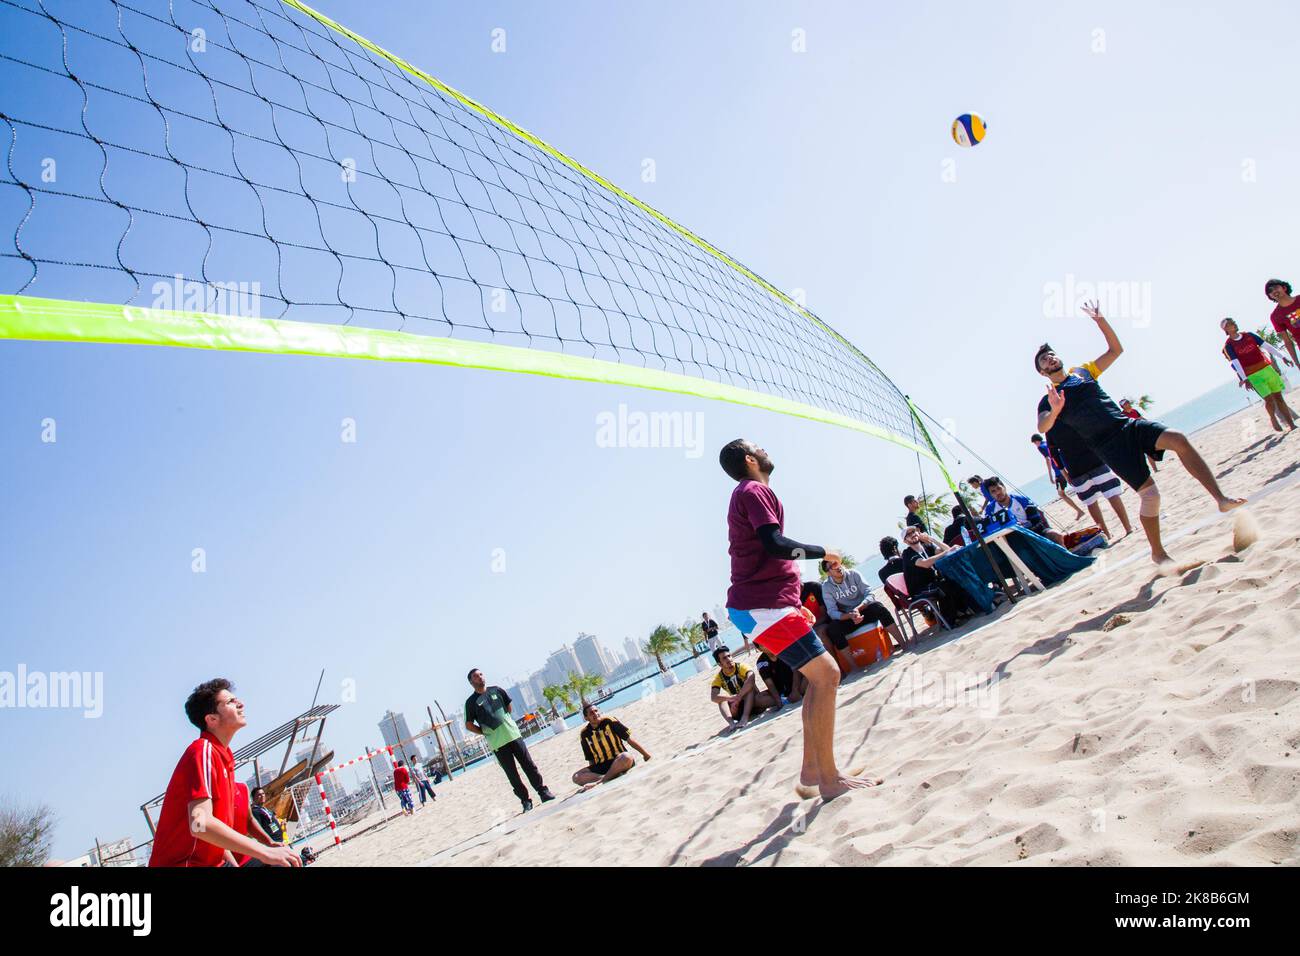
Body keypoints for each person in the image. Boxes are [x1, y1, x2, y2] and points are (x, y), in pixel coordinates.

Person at [719, 439, 878, 798]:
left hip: (767, 606)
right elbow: (774, 544)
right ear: (750, 459)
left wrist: (793, 603)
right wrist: (824, 552)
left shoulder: (749, 493)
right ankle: (830, 779)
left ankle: (812, 772)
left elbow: (766, 556)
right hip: (761, 607)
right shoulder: (752, 490)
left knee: (818, 679)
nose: (766, 449)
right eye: (759, 447)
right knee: (828, 675)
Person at [1035, 300, 1245, 565]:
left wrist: (1100, 321)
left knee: (1178, 439)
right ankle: (1158, 553)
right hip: (1108, 446)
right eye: (1044, 360)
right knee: (1150, 496)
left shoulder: (1083, 371)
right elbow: (1042, 426)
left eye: (1051, 354)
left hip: (1127, 426)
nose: (1050, 358)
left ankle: (1221, 499)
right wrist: (1055, 411)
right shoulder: (1048, 399)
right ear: (1042, 372)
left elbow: (1116, 350)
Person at [149, 679, 300, 867]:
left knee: (288, 860)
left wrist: (268, 846)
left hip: (214, 862)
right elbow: (201, 824)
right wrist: (265, 852)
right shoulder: (202, 751)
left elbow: (218, 832)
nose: (240, 703)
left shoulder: (224, 757)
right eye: (230, 702)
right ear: (212, 719)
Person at [465, 669, 556, 812]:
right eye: (476, 676)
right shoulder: (471, 702)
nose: (480, 677)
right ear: (471, 682)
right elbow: (469, 724)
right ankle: (525, 801)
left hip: (513, 735)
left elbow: (508, 707)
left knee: (529, 765)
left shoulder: (497, 690)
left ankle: (543, 792)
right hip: (497, 743)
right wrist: (484, 732)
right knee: (512, 774)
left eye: (481, 674)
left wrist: (505, 722)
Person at [1041, 417, 1133, 539]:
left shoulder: (1050, 428)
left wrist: (1065, 474)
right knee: (1111, 494)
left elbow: (1053, 454)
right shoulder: (1073, 414)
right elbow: (1094, 432)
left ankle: (1106, 535)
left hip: (1075, 468)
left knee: (1091, 502)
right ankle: (1128, 528)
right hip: (1095, 459)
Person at [820, 553, 909, 653]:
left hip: (864, 610)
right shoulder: (826, 587)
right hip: (849, 618)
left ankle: (903, 644)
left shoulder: (854, 574)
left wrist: (858, 608)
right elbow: (832, 611)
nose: (837, 567)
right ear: (828, 573)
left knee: (878, 607)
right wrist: (849, 615)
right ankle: (852, 663)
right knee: (833, 628)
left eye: (837, 562)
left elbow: (870, 594)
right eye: (833, 565)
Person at [1221, 317, 1297, 432]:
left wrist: (1283, 357)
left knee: (1279, 397)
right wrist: (1245, 379)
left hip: (1266, 369)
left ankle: (1292, 425)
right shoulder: (1229, 345)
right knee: (1269, 400)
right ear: (1226, 329)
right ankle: (1272, 417)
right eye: (1231, 323)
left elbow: (1267, 346)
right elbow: (1236, 363)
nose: (1234, 324)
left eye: (1234, 322)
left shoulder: (1249, 335)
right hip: (1253, 375)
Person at [901, 526, 974, 623]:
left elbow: (948, 550)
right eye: (908, 534)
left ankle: (961, 610)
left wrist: (932, 539)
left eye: (913, 531)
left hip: (933, 581)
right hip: (919, 589)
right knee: (942, 587)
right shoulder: (907, 554)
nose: (913, 535)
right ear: (905, 541)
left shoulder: (926, 546)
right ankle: (948, 620)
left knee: (953, 580)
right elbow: (925, 563)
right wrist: (946, 552)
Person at [572, 704, 652, 790]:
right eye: (591, 713)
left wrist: (646, 755)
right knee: (576, 777)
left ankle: (600, 781)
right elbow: (590, 758)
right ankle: (610, 776)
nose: (595, 714)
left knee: (627, 756)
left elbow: (629, 739)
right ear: (586, 718)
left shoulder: (610, 721)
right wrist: (592, 773)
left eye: (596, 711)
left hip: (619, 760)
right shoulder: (584, 734)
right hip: (602, 766)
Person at [981, 476, 1066, 546]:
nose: (997, 493)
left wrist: (1023, 528)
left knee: (1056, 535)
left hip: (1035, 533)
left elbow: (1038, 522)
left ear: (1004, 487)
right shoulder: (990, 510)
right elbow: (990, 531)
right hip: (1013, 541)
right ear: (990, 494)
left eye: (999, 488)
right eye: (993, 491)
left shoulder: (1021, 500)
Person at [710, 646, 779, 728]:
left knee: (750, 688)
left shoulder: (741, 667)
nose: (729, 659)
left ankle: (745, 718)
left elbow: (751, 679)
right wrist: (731, 698)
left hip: (754, 701)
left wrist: (738, 697)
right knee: (721, 701)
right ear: (720, 664)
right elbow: (713, 697)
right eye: (724, 658)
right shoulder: (719, 677)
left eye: (729, 656)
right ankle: (731, 723)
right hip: (738, 707)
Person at [1030, 433, 1086, 519]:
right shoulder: (1048, 443)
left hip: (1059, 472)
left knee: (1061, 493)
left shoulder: (1040, 447)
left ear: (1036, 441)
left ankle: (1080, 511)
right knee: (1076, 485)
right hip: (1066, 466)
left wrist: (1050, 475)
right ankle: (1086, 504)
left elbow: (1048, 459)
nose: (1035, 444)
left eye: (1034, 443)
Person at [1266, 278, 1300, 368]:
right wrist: (1297, 363)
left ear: (1284, 288)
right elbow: (1287, 341)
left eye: (1276, 287)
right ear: (1270, 296)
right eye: (1270, 291)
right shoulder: (1275, 316)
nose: (1274, 291)